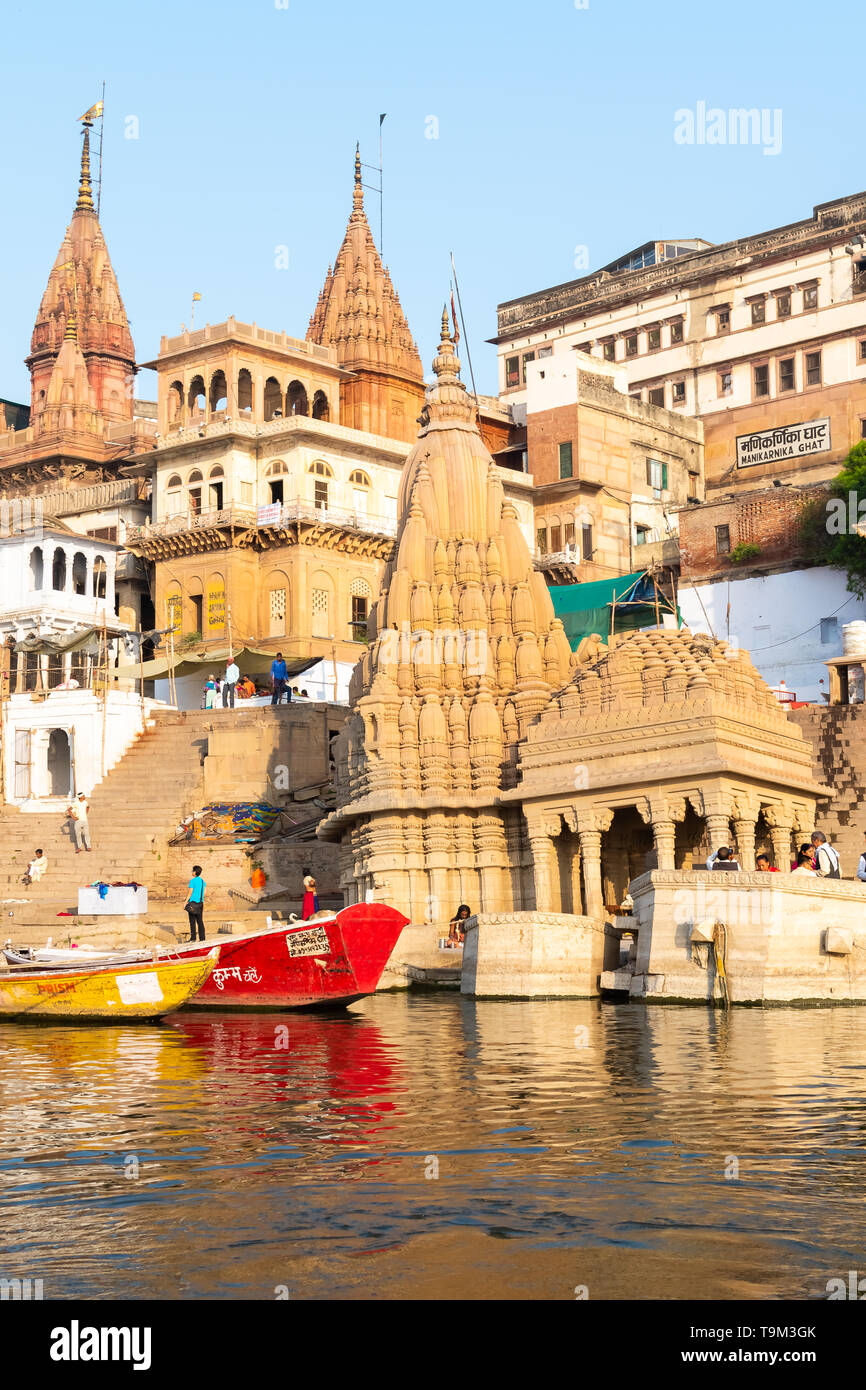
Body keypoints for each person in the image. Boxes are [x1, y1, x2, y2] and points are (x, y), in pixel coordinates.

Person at [184, 865, 206, 941]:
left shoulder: (192, 881)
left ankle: (193, 938)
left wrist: (185, 902)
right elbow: (204, 892)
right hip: (200, 903)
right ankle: (202, 939)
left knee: (192, 921)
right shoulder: (203, 881)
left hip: (192, 903)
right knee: (200, 921)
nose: (192, 872)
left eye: (192, 871)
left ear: (195, 872)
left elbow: (190, 893)